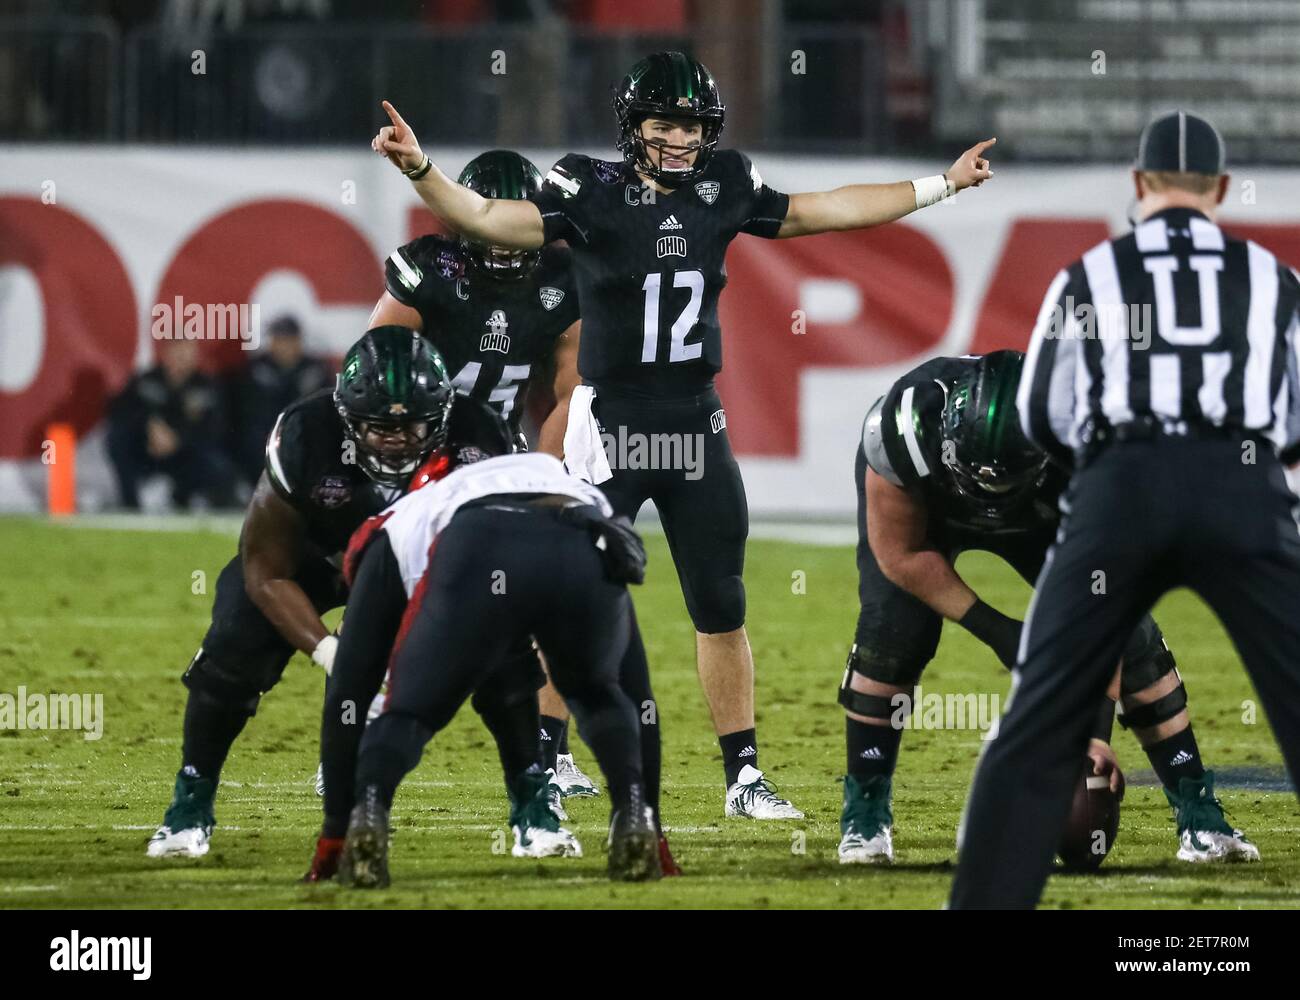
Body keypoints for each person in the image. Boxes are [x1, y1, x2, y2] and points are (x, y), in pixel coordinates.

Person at [371, 50, 996, 821]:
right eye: (663, 124)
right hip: (612, 420)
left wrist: (942, 184)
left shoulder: (723, 185)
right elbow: (489, 217)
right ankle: (552, 756)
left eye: (691, 126)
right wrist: (421, 169)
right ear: (633, 128)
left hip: (694, 419)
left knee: (720, 602)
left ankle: (743, 777)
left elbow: (825, 208)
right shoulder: (587, 188)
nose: (678, 139)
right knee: (572, 589)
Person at [950, 112, 1300, 908]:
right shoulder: (1274, 280)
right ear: (1218, 190)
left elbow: (1043, 411)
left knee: (1039, 724)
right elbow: (1296, 418)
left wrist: (1117, 472)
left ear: (1139, 186)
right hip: (1240, 484)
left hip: (1122, 488)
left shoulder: (1089, 275)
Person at [839, 350, 1257, 864]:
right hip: (935, 513)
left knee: (1135, 643)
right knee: (891, 634)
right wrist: (999, 631)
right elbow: (900, 554)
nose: (988, 498)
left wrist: (1094, 734)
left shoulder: (1096, 455)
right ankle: (865, 818)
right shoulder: (904, 425)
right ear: (945, 438)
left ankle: (1201, 818)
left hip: (1041, 517)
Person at [145, 327, 530, 861]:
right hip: (319, 560)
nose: (395, 439)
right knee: (233, 643)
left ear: (443, 414)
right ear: (346, 416)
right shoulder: (307, 434)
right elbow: (266, 571)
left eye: (412, 424)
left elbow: (503, 568)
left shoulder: (482, 439)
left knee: (508, 646)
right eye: (377, 426)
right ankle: (191, 801)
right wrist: (331, 651)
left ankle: (533, 803)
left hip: (427, 565)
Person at [368, 148, 598, 799]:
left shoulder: (560, 281)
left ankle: (550, 754)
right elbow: (373, 369)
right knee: (384, 602)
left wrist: (547, 476)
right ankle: (360, 740)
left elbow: (570, 393)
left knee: (551, 592)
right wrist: (399, 463)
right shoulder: (428, 271)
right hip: (414, 449)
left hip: (496, 455)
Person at [326, 451, 660, 886]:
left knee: (411, 712)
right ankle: (632, 812)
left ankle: (369, 811)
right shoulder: (550, 473)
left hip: (478, 547)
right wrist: (651, 809)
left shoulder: (400, 518)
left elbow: (351, 684)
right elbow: (636, 687)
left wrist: (334, 826)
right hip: (581, 539)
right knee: (598, 693)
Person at [107, 338, 238, 510]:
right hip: (148, 452)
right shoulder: (145, 380)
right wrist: (149, 425)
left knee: (219, 466)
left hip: (186, 456)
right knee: (117, 438)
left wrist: (179, 439)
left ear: (195, 355)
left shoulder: (207, 386)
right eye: (177, 352)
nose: (181, 358)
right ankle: (131, 502)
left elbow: (216, 427)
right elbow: (119, 412)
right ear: (165, 353)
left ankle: (186, 497)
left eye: (186, 353)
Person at [230, 315, 331, 487]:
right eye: (279, 340)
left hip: (303, 433)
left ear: (298, 341)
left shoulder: (314, 370)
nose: (283, 346)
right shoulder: (255, 370)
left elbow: (327, 408)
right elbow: (244, 412)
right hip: (266, 434)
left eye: (289, 340)